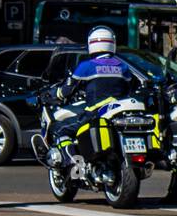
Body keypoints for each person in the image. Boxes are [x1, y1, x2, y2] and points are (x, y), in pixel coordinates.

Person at [42, 26, 135, 166]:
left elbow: (67, 90)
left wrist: (54, 94)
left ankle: (74, 164)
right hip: (118, 114)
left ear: (92, 44)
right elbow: (129, 89)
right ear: (112, 43)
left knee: (60, 129)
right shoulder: (123, 67)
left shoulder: (87, 66)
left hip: (94, 114)